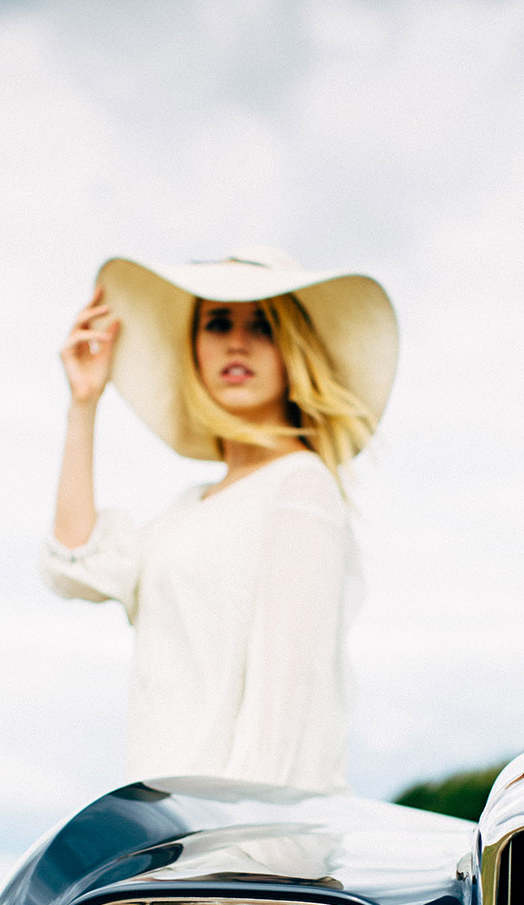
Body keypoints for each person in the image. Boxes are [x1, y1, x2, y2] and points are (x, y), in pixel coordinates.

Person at [40, 248, 398, 792]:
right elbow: (78, 566)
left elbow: (286, 709)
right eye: (217, 323)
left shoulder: (300, 486)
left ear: (292, 351)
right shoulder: (190, 507)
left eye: (262, 325)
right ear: (194, 349)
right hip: (167, 835)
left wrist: (239, 853)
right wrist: (83, 405)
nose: (236, 342)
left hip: (234, 850)